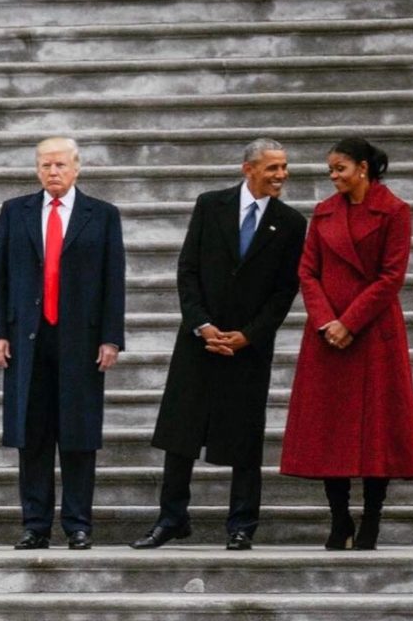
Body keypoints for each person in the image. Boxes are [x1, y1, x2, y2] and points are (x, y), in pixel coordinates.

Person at [131, 138, 306, 551]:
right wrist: (201, 324)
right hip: (199, 341)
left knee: (245, 436)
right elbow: (187, 269)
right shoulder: (211, 205)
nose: (281, 175)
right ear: (248, 169)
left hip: (249, 346)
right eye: (272, 168)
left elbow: (285, 291)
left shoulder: (292, 223)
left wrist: (250, 334)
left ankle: (242, 524)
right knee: (181, 432)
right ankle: (172, 518)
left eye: (284, 167)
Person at [0, 136, 125, 550]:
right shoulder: (16, 212)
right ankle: (35, 524)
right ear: (37, 169)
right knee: (33, 435)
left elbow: (112, 281)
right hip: (28, 340)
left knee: (79, 435)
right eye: (46, 165)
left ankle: (79, 523)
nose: (53, 172)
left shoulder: (101, 215)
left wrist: (111, 337)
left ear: (77, 168)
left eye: (61, 165)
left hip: (79, 340)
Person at [281, 137, 413, 549]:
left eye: (340, 168)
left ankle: (371, 519)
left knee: (377, 431)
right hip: (328, 337)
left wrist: (350, 322)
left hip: (373, 331)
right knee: (329, 431)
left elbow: (391, 277)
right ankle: (339, 519)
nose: (334, 176)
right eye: (331, 170)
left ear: (363, 168)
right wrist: (326, 322)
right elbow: (308, 272)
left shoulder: (394, 211)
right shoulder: (323, 213)